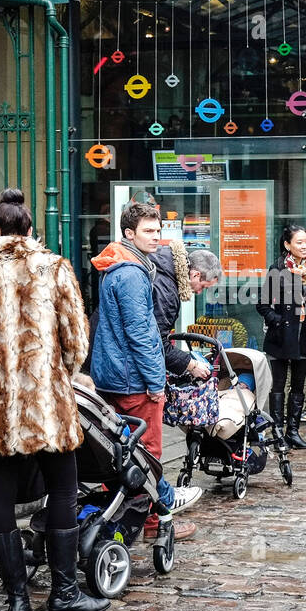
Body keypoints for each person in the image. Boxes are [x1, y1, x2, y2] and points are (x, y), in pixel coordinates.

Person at [0, 189, 108, 611]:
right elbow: (77, 343)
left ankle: (18, 600)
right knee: (63, 491)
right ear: (31, 229)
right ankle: (64, 593)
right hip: (47, 405)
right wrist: (56, 373)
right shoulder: (54, 269)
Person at [90, 202, 198, 539]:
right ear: (128, 234)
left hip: (110, 375)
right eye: (148, 231)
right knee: (148, 457)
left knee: (118, 456)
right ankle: (152, 523)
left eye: (158, 230)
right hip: (133, 380)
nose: (156, 237)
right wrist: (155, 382)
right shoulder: (133, 273)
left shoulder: (115, 265)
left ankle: (121, 521)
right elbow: (142, 334)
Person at [148, 238, 218, 534]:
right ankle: (155, 518)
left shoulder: (161, 273)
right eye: (203, 287)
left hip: (120, 368)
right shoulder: (167, 290)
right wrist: (190, 364)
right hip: (131, 376)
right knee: (147, 447)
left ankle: (148, 515)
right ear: (195, 275)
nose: (199, 293)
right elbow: (157, 344)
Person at [259, 225, 306, 449]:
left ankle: (292, 432)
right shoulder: (277, 269)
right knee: (278, 386)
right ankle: (277, 434)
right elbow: (263, 304)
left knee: (298, 386)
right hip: (281, 336)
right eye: (299, 242)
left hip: (304, 335)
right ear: (287, 245)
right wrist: (277, 321)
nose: (305, 246)